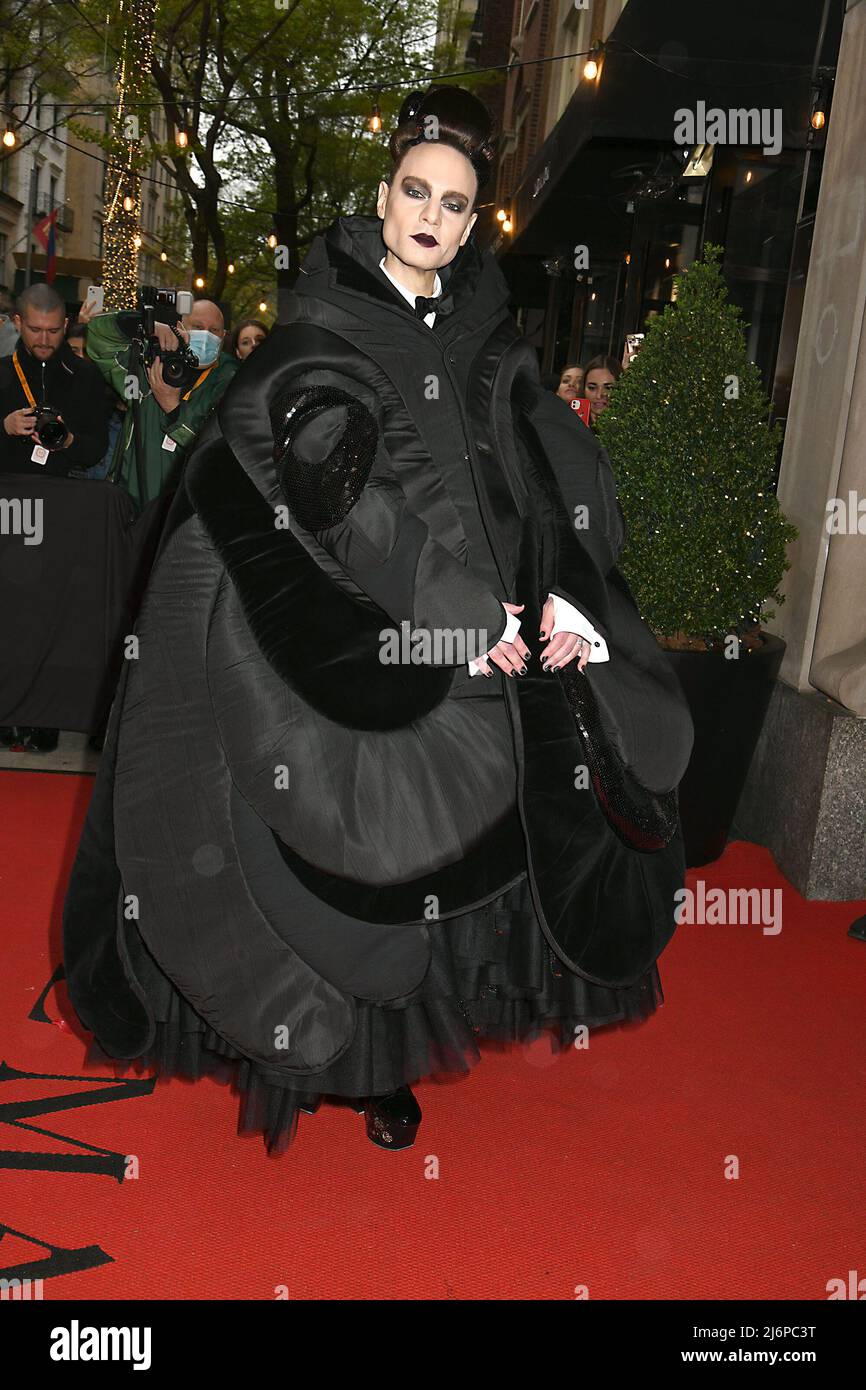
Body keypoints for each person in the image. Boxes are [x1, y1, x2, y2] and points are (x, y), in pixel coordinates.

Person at [63, 86, 693, 1156]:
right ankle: (338, 1060)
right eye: (414, 190)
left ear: (472, 219)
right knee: (351, 828)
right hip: (341, 618)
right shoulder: (317, 322)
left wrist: (567, 591)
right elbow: (325, 475)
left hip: (489, 613)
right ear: (384, 191)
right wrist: (448, 611)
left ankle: (395, 1053)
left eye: (453, 203)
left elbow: (556, 465)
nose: (429, 217)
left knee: (480, 828)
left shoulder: (496, 329)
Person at [0, 284, 110, 753]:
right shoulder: (1, 374)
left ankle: (43, 717)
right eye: (35, 330)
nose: (44, 340)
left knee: (52, 615)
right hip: (8, 505)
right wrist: (3, 427)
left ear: (66, 326)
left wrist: (65, 442)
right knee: (8, 613)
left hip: (63, 505)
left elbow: (97, 448)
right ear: (17, 323)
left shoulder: (86, 376)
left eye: (52, 331)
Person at [79, 293, 238, 511]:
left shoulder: (232, 382)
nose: (205, 335)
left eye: (214, 331)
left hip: (186, 514)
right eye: (197, 326)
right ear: (181, 326)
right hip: (131, 503)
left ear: (224, 336)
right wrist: (145, 325)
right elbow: (99, 337)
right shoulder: (150, 362)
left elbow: (219, 449)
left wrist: (173, 409)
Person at [583, 353, 622, 429]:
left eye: (608, 388)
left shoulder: (630, 430)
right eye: (592, 388)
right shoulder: (570, 424)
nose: (599, 395)